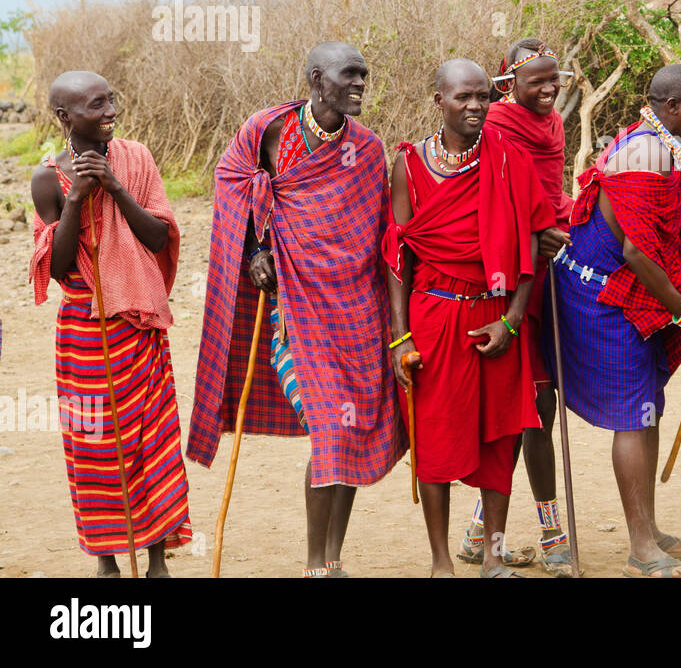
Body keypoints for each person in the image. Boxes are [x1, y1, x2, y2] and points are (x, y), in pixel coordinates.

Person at [187, 42, 404, 578]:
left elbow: (379, 235)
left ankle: (333, 558)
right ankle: (313, 565)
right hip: (294, 314)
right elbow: (231, 183)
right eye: (348, 75)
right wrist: (256, 251)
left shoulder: (368, 149)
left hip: (357, 312)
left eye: (364, 76)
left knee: (351, 436)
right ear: (315, 78)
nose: (359, 84)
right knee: (332, 429)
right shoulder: (269, 130)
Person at [549, 64, 681, 578]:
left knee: (646, 408)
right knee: (632, 411)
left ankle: (649, 530)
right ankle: (641, 547)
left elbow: (665, 244)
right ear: (671, 109)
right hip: (604, 297)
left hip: (627, 291)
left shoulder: (661, 140)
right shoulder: (646, 154)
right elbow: (640, 253)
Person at [386, 59, 554, 578]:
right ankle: (441, 562)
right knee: (435, 438)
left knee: (501, 438)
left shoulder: (510, 158)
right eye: (463, 97)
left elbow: (531, 241)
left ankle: (494, 556)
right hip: (434, 315)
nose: (476, 106)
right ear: (439, 101)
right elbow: (398, 256)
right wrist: (399, 338)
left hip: (496, 316)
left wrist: (511, 321)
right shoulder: (409, 164)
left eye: (483, 96)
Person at [30, 71, 192, 577]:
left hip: (139, 326)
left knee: (154, 443)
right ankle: (106, 559)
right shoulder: (47, 179)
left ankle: (157, 559)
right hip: (84, 334)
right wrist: (77, 197)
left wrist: (115, 187)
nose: (110, 112)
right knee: (94, 446)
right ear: (64, 117)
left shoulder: (136, 158)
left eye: (112, 101)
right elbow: (56, 268)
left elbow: (158, 237)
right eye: (96, 105)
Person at [454, 39, 577, 575]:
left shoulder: (550, 125)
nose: (550, 89)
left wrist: (563, 222)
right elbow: (490, 202)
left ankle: (482, 528)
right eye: (538, 82)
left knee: (539, 408)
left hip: (555, 266)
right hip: (511, 275)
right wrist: (533, 232)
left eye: (556, 80)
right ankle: (548, 536)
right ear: (510, 86)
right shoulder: (496, 125)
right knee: (527, 410)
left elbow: (553, 188)